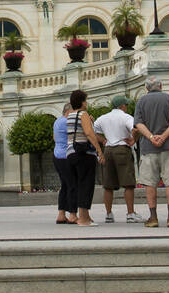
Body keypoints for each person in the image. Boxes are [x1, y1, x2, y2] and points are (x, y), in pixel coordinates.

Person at [133, 77, 169, 227]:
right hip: (168, 146)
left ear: (146, 88)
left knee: (150, 183)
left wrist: (151, 137)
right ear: (161, 85)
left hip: (148, 147)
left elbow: (138, 123)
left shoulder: (141, 102)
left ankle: (153, 217)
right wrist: (164, 136)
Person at [64, 90, 106, 227]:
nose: (86, 103)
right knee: (86, 185)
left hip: (71, 153)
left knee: (78, 184)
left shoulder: (70, 115)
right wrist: (99, 151)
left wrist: (90, 122)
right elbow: (88, 133)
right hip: (84, 153)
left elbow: (78, 130)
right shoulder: (83, 114)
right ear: (82, 102)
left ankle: (85, 216)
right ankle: (83, 219)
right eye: (85, 100)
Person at [95, 95, 137, 223]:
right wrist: (134, 139)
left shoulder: (103, 118)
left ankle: (108, 214)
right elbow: (135, 128)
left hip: (108, 150)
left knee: (108, 185)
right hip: (122, 149)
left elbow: (91, 131)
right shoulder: (126, 117)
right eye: (126, 105)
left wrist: (102, 140)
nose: (127, 107)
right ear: (122, 106)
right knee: (128, 184)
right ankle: (130, 214)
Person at [52, 102, 77, 224]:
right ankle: (73, 214)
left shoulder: (57, 121)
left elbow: (54, 138)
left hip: (57, 155)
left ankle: (61, 214)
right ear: (69, 111)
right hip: (65, 156)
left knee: (65, 185)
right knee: (72, 184)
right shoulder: (66, 122)